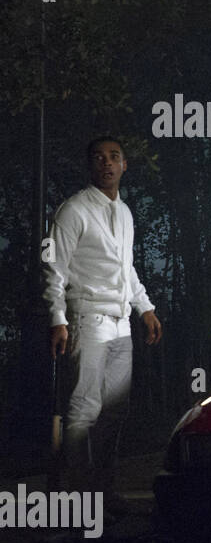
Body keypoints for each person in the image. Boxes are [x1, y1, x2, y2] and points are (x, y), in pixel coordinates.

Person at [43, 137, 162, 509]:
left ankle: (103, 491)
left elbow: (127, 268)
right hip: (87, 316)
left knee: (114, 411)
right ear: (90, 166)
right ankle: (80, 498)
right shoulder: (74, 210)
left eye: (114, 157)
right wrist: (57, 318)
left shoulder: (124, 213)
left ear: (124, 165)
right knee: (83, 409)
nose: (107, 164)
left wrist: (145, 307)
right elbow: (54, 267)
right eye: (99, 158)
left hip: (121, 321)